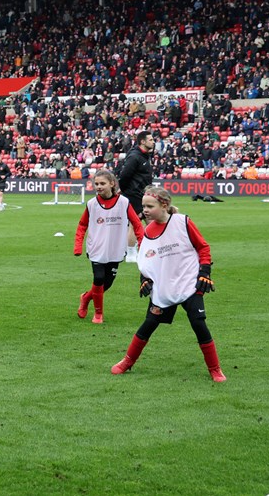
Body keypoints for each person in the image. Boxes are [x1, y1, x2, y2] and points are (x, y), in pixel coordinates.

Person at [111, 186, 225, 382]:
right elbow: (146, 261)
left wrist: (204, 272)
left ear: (164, 205)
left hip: (189, 283)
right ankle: (127, 362)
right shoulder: (148, 231)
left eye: (149, 206)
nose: (145, 210)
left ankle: (215, 369)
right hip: (164, 287)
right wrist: (144, 279)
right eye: (143, 206)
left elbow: (203, 247)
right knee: (148, 324)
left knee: (199, 324)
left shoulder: (183, 222)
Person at [73, 169, 143, 323]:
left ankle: (85, 298)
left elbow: (137, 224)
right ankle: (98, 314)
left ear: (112, 184)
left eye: (102, 183)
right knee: (98, 279)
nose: (98, 186)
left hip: (115, 249)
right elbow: (82, 225)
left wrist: (143, 244)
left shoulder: (124, 202)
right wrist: (78, 246)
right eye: (96, 183)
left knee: (107, 284)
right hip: (96, 248)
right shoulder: (92, 204)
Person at [117, 131, 155, 216]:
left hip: (142, 194)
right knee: (149, 222)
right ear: (143, 142)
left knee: (136, 225)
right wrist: (125, 190)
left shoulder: (145, 156)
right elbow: (124, 175)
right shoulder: (134, 156)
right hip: (134, 195)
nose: (153, 142)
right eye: (151, 140)